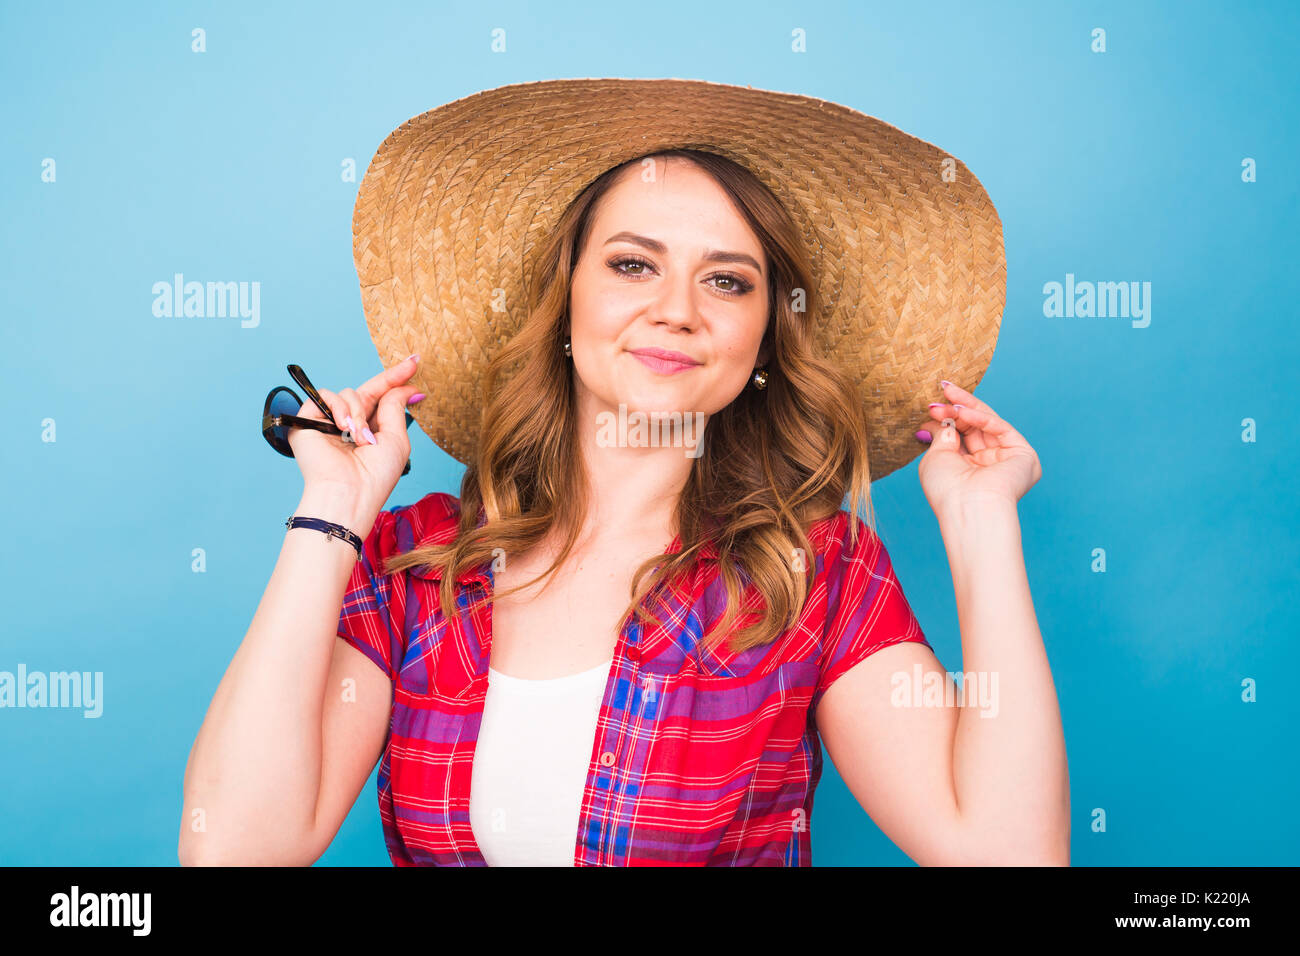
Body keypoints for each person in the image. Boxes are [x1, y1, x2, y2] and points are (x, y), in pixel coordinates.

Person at [180, 78, 1066, 866]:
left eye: (727, 282)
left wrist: (982, 521)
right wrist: (333, 508)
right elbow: (235, 851)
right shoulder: (415, 566)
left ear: (764, 340)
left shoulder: (818, 572)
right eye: (633, 264)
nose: (675, 310)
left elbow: (1004, 853)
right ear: (566, 302)